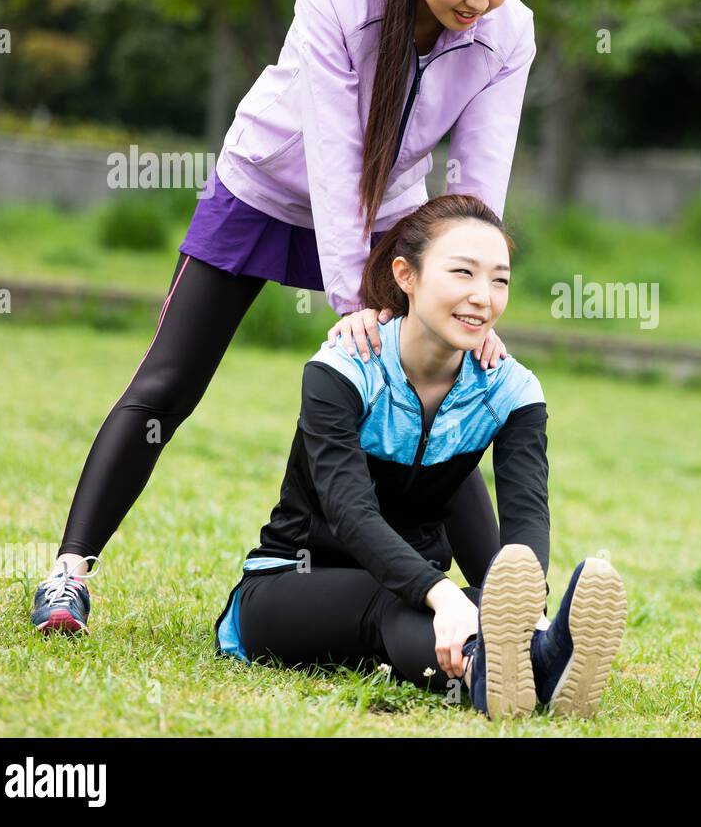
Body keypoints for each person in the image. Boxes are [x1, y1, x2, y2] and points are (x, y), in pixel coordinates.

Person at [31, 0, 538, 635]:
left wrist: (467, 289)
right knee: (167, 385)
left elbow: (478, 174)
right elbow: (336, 157)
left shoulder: (510, 33)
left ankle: (512, 616)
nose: (482, 1)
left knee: (435, 385)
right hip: (263, 190)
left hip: (392, 215)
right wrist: (352, 304)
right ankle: (68, 577)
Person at [212, 194, 629, 719]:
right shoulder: (343, 371)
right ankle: (491, 669)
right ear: (406, 275)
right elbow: (350, 511)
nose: (483, 297)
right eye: (463, 273)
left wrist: (518, 607)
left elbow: (526, 521)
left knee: (473, 599)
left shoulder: (512, 390)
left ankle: (543, 651)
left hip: (414, 592)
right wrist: (444, 595)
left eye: (499, 280)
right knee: (404, 600)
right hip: (286, 589)